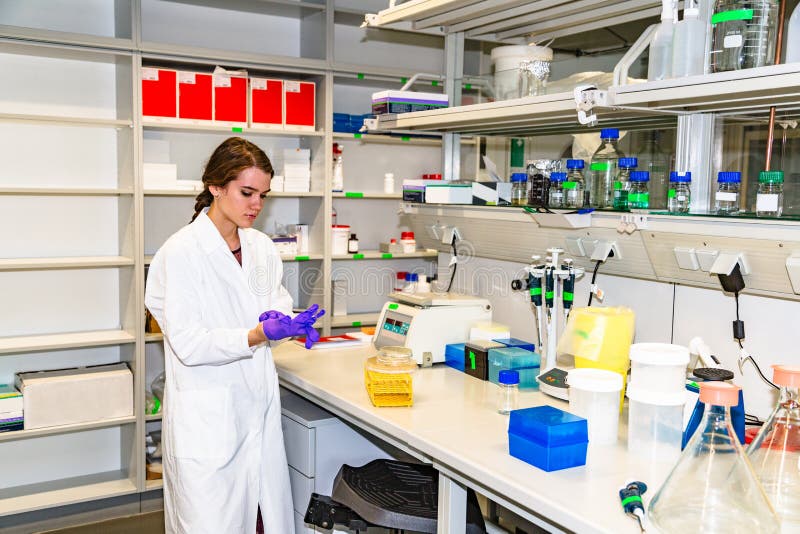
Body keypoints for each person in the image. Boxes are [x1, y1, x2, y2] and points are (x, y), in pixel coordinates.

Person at [145, 137, 325, 533]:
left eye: (262, 195)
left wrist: (291, 325)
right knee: (213, 521)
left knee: (263, 519)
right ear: (215, 187)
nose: (256, 205)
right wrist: (257, 334)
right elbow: (190, 345)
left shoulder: (261, 247)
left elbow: (273, 306)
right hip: (208, 420)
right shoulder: (181, 253)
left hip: (256, 408)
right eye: (246, 193)